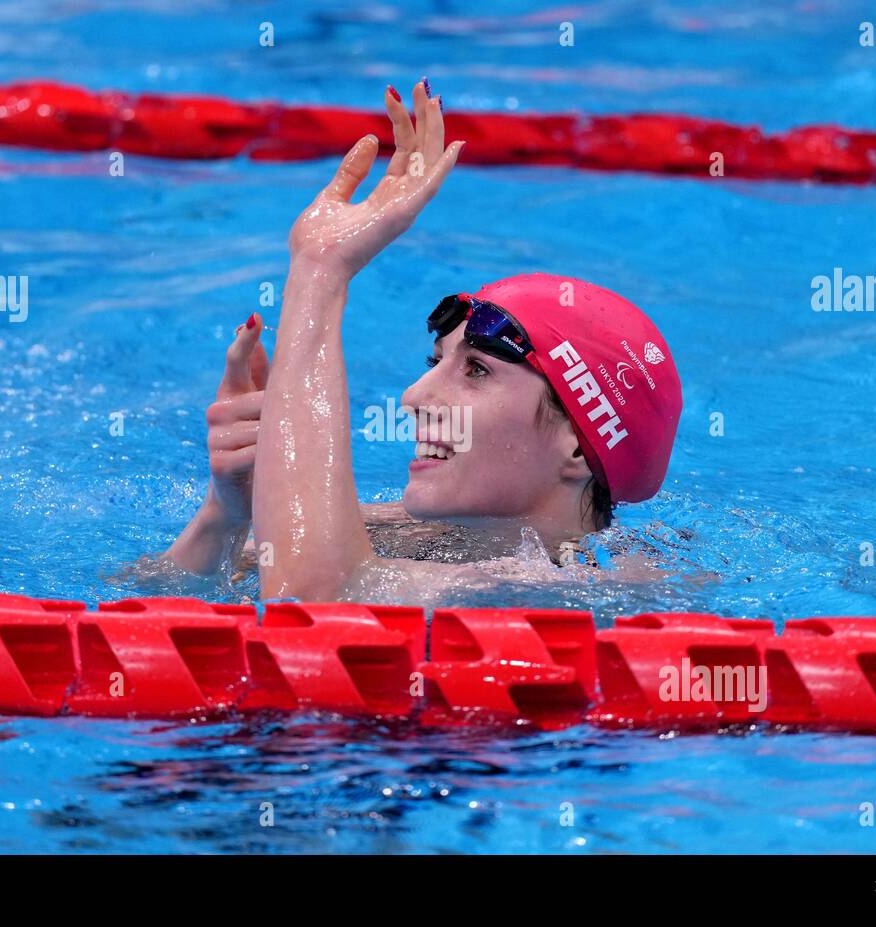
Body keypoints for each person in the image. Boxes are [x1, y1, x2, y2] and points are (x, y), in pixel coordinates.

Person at [165, 80, 682, 603]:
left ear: (576, 442)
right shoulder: (408, 532)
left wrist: (321, 269)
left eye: (476, 370)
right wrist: (227, 513)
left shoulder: (599, 587)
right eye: (435, 361)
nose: (412, 397)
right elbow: (146, 593)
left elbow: (313, 596)